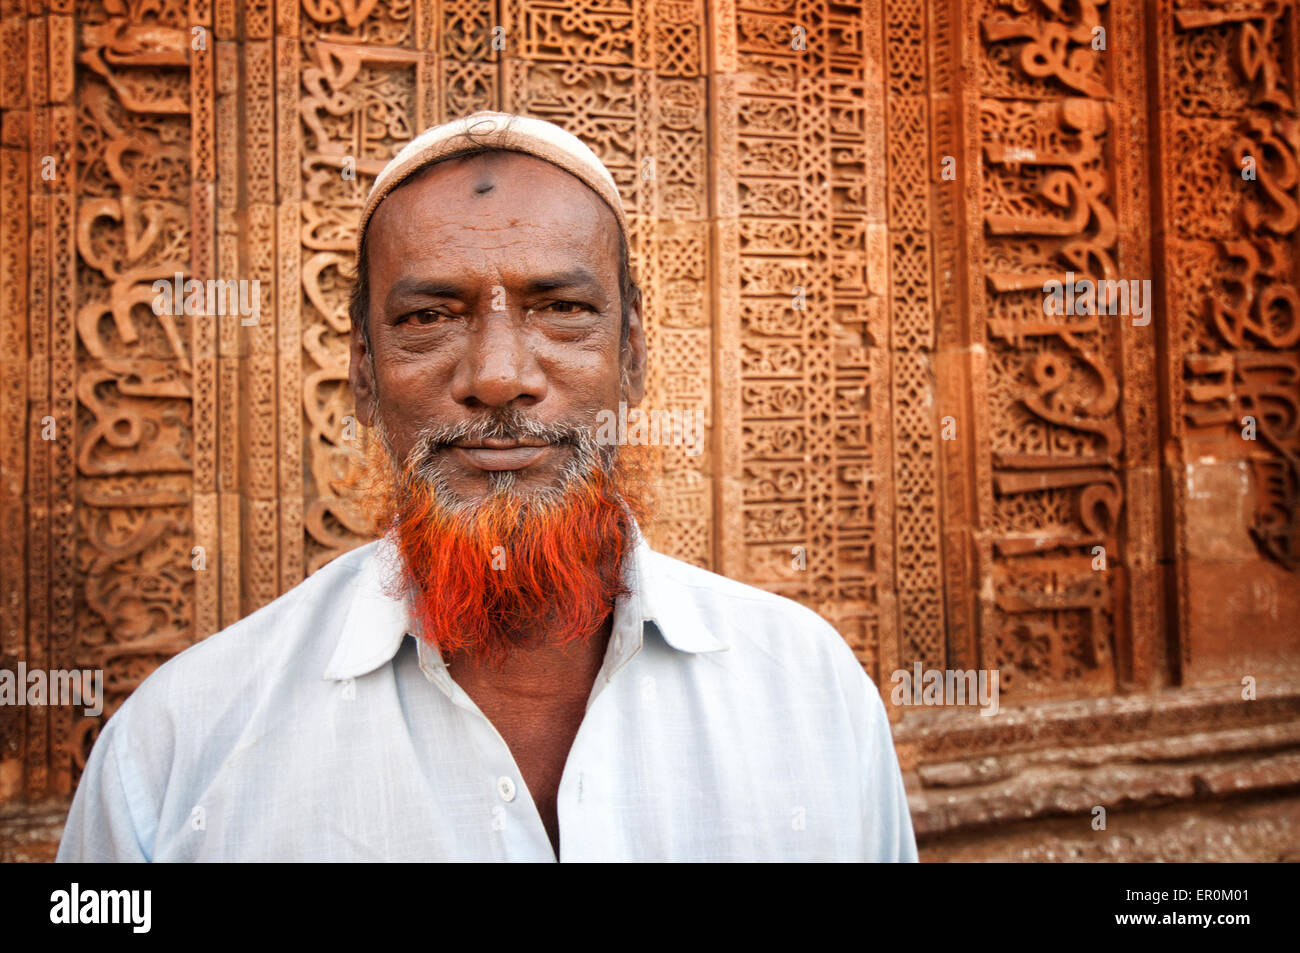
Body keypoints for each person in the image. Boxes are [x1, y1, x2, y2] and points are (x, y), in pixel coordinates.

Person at [56, 111, 918, 862]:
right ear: (363, 372)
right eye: (429, 316)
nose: (499, 377)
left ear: (635, 356)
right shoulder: (175, 752)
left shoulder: (809, 693)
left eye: (561, 309)